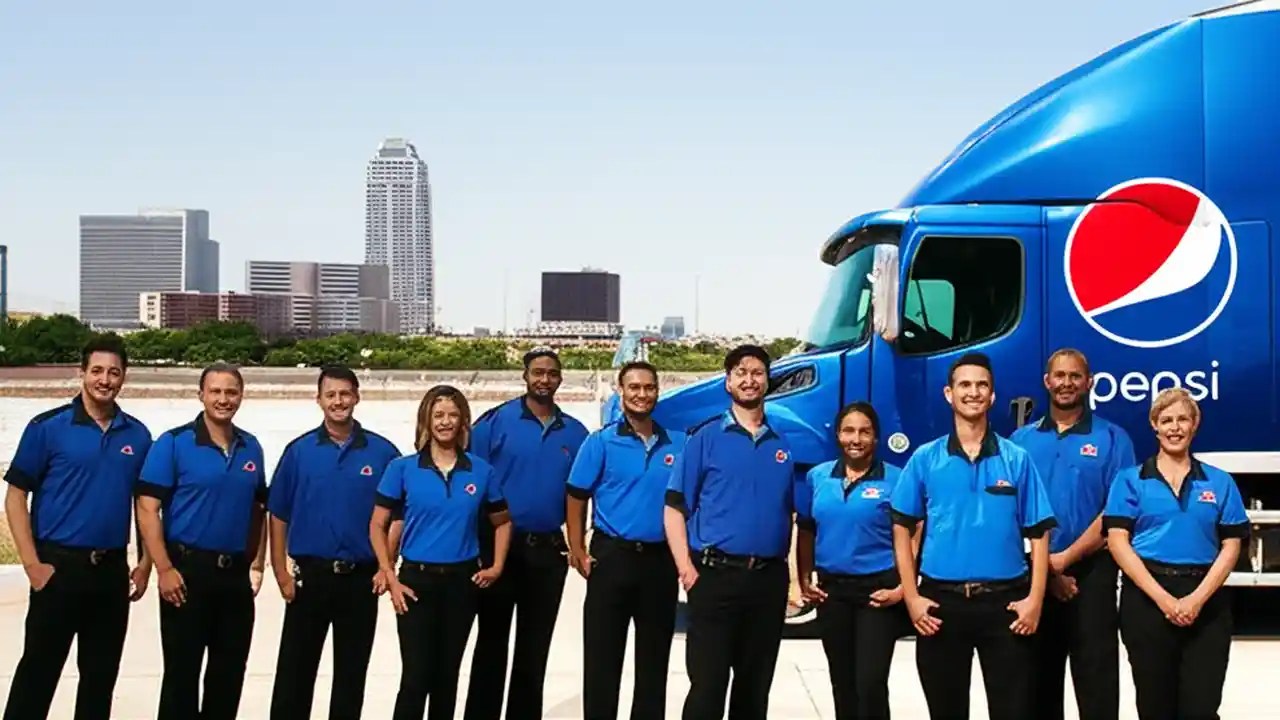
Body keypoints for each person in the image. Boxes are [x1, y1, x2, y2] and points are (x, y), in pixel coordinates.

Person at [889, 351, 1057, 720]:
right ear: (949, 394)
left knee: (1013, 711)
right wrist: (912, 597)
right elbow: (901, 528)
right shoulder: (925, 459)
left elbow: (1040, 535)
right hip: (940, 606)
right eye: (965, 384)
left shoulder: (1016, 459)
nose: (973, 392)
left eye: (982, 385)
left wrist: (1035, 600)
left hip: (1006, 606)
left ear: (992, 396)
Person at [2, 335, 155, 720]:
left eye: (114, 372)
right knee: (37, 674)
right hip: (58, 569)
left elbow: (145, 506)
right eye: (97, 371)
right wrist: (33, 566)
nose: (105, 379)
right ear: (82, 373)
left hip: (109, 573)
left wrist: (146, 562)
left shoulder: (138, 435)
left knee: (99, 681)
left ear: (124, 377)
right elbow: (16, 497)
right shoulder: (48, 427)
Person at [664, 344, 797, 720]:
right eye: (741, 372)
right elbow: (674, 507)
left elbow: (792, 513)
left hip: (766, 581)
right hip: (715, 577)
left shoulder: (781, 444)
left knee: (754, 690)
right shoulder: (704, 438)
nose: (749, 380)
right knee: (708, 686)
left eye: (757, 373)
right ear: (727, 382)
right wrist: (685, 569)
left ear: (767, 381)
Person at [266, 365, 403, 720]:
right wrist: (280, 570)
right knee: (294, 675)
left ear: (357, 397)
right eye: (331, 395)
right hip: (310, 579)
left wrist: (387, 565)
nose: (338, 401)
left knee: (350, 677)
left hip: (361, 580)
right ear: (319, 400)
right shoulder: (298, 451)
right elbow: (278, 513)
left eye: (345, 394)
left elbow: (397, 515)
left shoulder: (383, 453)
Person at [1103, 387, 1247, 720]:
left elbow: (1232, 545)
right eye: (1166, 420)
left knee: (1202, 707)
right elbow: (1117, 541)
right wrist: (1165, 601)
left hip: (1206, 601)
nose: (1175, 427)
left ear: (1195, 424)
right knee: (1155, 707)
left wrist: (1196, 600)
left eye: (1183, 419)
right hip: (1148, 600)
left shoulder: (1220, 482)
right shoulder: (1131, 480)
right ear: (1154, 425)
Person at [135, 362, 269, 720]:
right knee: (182, 677)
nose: (223, 399)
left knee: (228, 676)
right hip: (186, 573)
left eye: (231, 392)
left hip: (233, 578)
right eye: (216, 391)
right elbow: (148, 509)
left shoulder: (251, 447)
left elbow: (259, 508)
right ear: (201, 395)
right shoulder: (173, 443)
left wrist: (255, 563)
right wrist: (162, 568)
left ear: (241, 396)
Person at [371, 384, 512, 720]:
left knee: (447, 678)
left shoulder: (480, 471)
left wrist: (496, 566)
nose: (445, 422)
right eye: (438, 415)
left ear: (463, 420)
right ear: (426, 420)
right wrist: (389, 575)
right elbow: (378, 524)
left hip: (461, 584)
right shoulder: (402, 469)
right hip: (416, 584)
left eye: (452, 414)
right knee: (417, 678)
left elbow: (503, 522)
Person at [463, 347, 589, 720]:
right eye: (538, 372)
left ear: (560, 378)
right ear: (525, 376)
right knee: (491, 644)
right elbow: (471, 476)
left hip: (547, 552)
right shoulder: (496, 422)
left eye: (551, 373)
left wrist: (578, 544)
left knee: (534, 650)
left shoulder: (576, 433)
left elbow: (578, 494)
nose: (544, 379)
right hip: (499, 549)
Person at [1010, 348, 1135, 720]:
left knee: (1096, 683)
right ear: (1047, 382)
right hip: (1035, 577)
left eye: (1075, 376)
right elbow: (1013, 511)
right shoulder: (1021, 441)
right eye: (1059, 376)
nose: (1067, 383)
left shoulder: (1114, 438)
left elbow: (1116, 513)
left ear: (1089, 382)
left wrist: (1065, 560)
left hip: (1092, 576)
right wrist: (1047, 570)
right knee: (1038, 684)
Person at [566, 361, 686, 720]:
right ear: (621, 391)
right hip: (612, 557)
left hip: (659, 562)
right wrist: (577, 547)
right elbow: (575, 495)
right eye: (634, 387)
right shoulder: (601, 442)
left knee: (653, 662)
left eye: (649, 387)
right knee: (603, 659)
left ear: (657, 391)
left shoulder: (678, 443)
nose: (642, 394)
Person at [795, 401, 915, 720]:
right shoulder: (818, 477)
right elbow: (806, 529)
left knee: (871, 682)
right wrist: (805, 578)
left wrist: (906, 586)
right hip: (832, 593)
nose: (856, 439)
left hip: (878, 593)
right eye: (849, 431)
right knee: (843, 683)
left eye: (865, 431)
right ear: (837, 435)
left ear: (876, 438)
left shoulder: (896, 478)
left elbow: (916, 530)